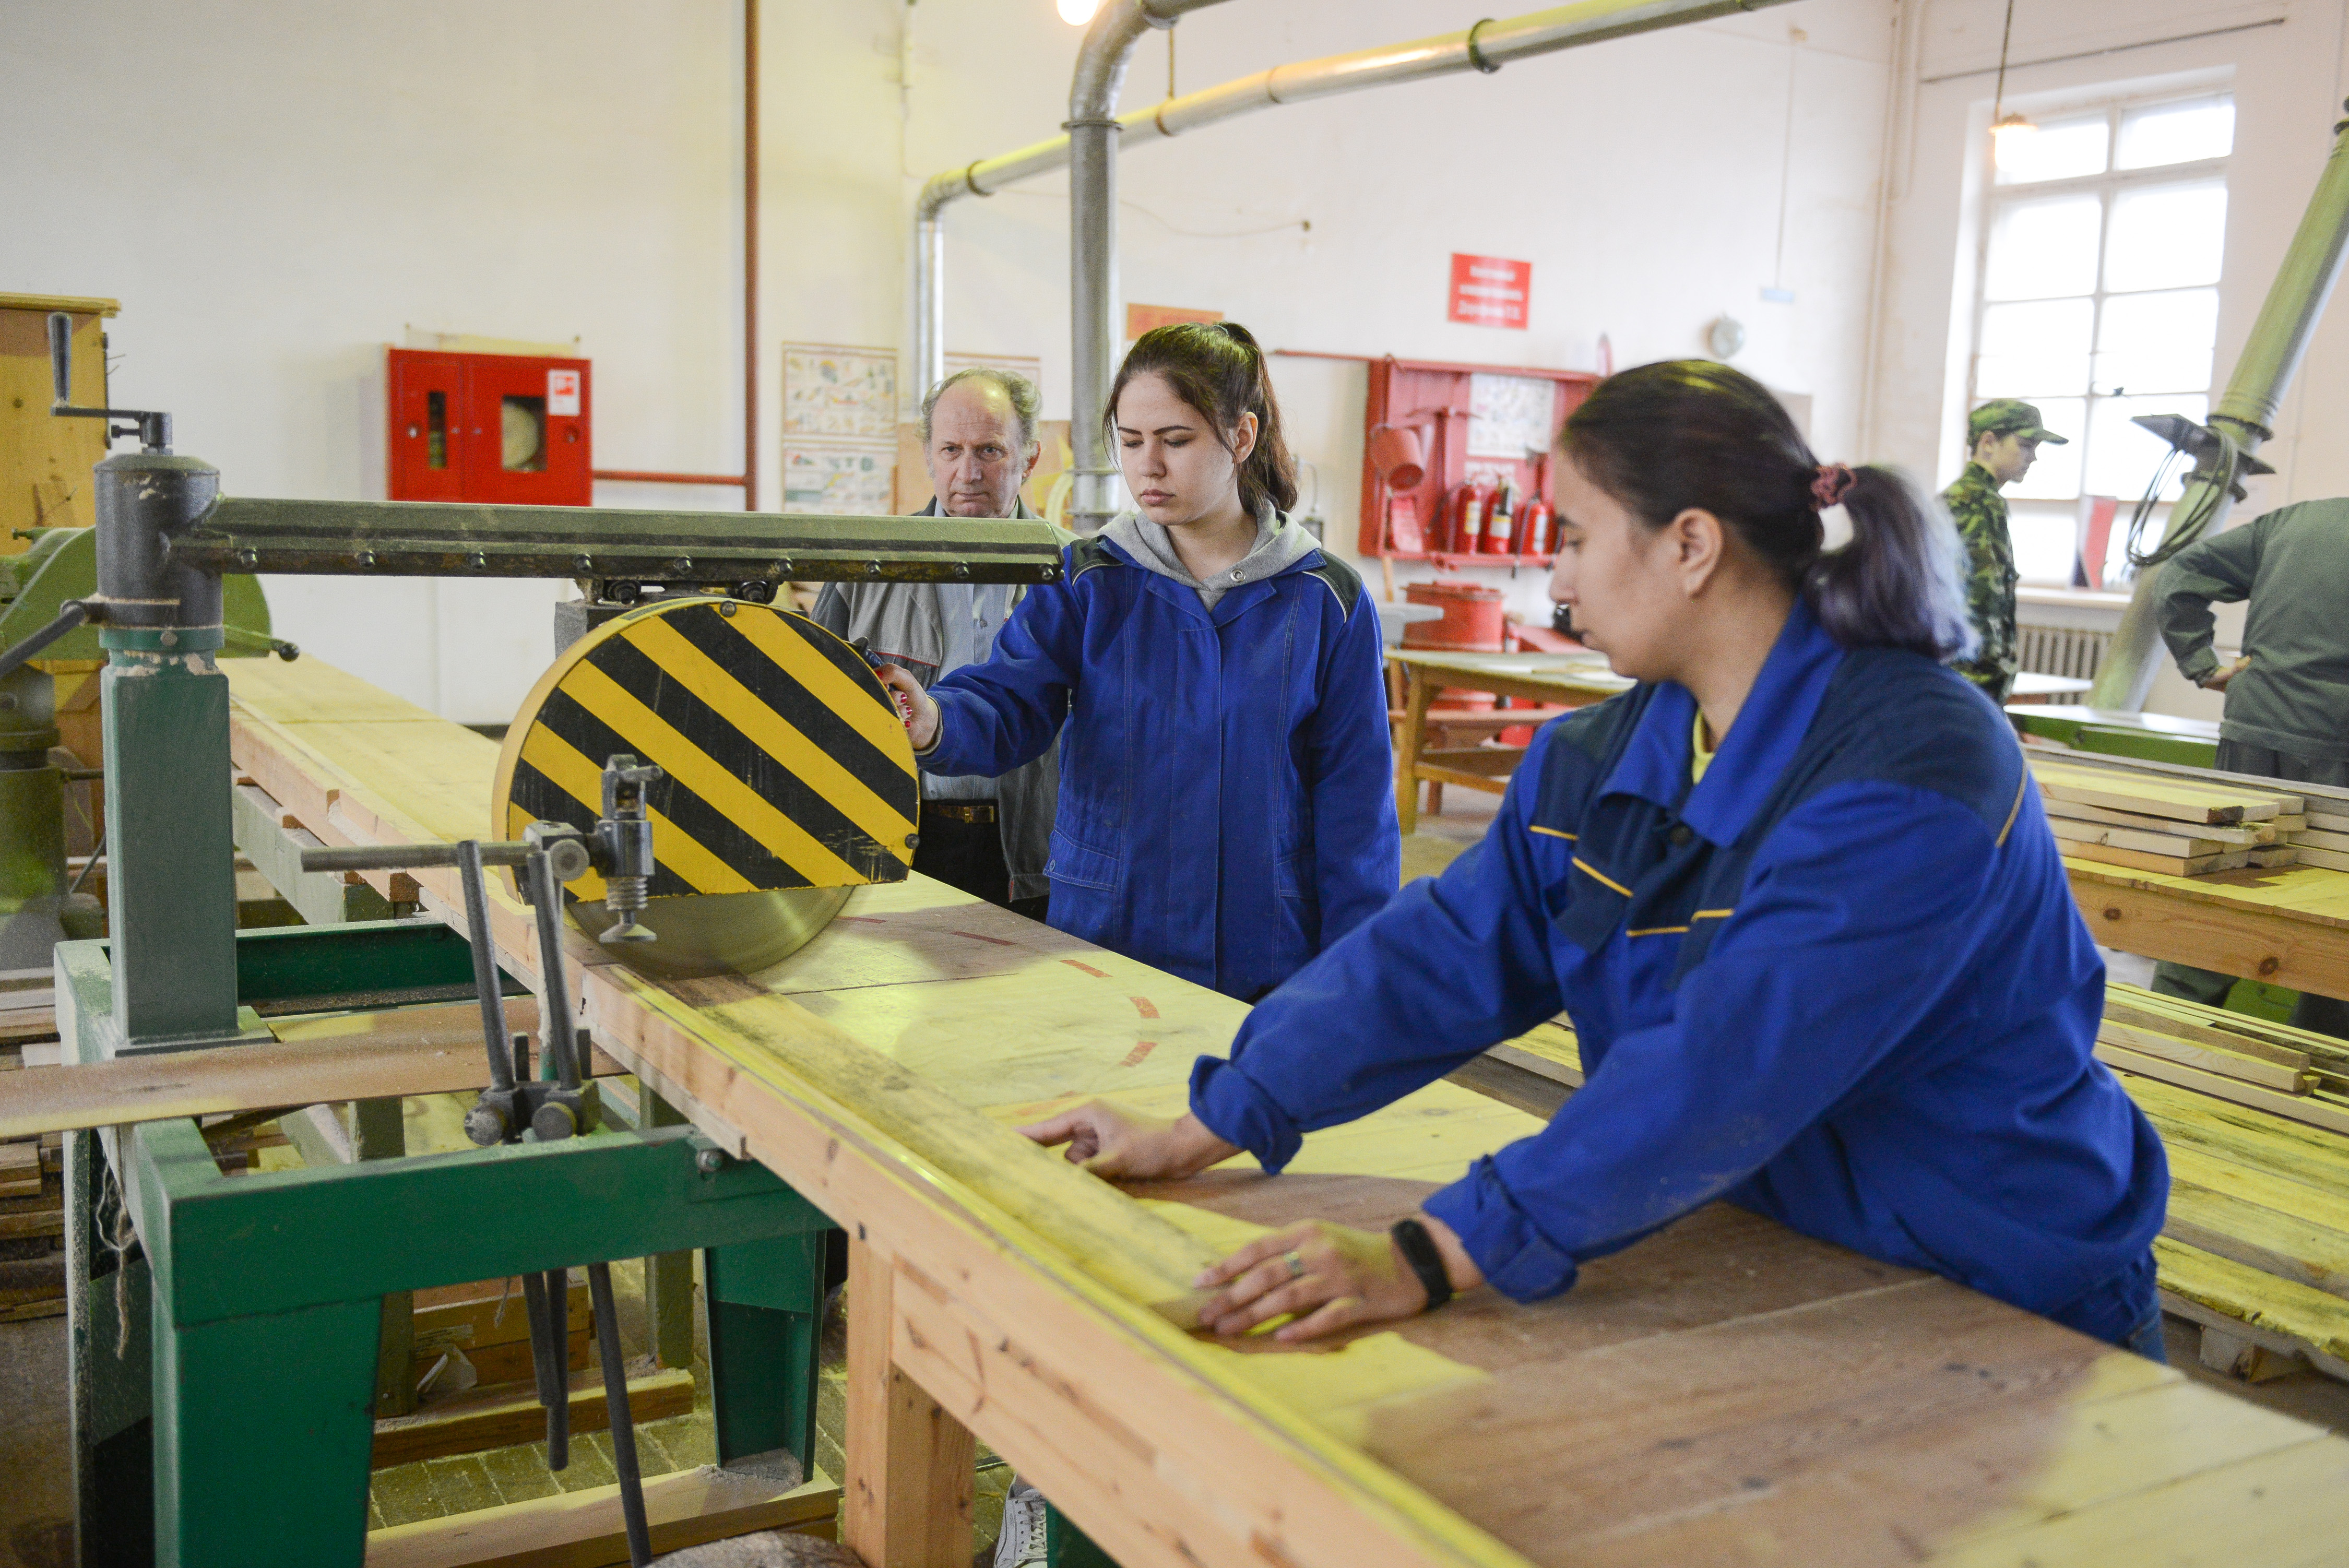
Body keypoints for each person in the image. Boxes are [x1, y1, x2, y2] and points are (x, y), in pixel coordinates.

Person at [1020, 360, 2169, 1358]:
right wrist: (1208, 1120)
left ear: (1691, 545)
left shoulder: (1915, 765)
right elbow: (1438, 954)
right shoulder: (1608, 756)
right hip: (1776, 1254)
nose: (1556, 579)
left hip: (2003, 1283)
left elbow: (1728, 1060)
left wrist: (1430, 1252)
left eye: (1572, 537)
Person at [874, 322, 1398, 1001]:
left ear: (1241, 437)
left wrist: (1358, 973)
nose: (1148, 466)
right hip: (1111, 935)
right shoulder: (1090, 578)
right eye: (1130, 441)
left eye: (1176, 441)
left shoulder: (1325, 597)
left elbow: (1356, 804)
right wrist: (936, 719)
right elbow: (1013, 697)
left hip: (1264, 948)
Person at [812, 369, 1065, 921]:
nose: (968, 472)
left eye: (990, 450)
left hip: (1035, 851)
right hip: (901, 836)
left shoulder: (1072, 572)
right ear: (928, 455)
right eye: (951, 449)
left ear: (1030, 458)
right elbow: (815, 706)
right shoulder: (866, 567)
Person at [2148, 500, 2349, 1037]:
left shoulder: (2291, 522)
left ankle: (2163, 1032)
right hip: (2339, 744)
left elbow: (2177, 579)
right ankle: (2323, 1065)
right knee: (2336, 908)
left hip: (2254, 728)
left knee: (2225, 879)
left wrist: (2203, 665)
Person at [1944, 398, 2069, 703]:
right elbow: (1981, 597)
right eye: (2026, 445)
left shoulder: (1978, 498)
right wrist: (1989, 675)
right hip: (1969, 676)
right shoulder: (1974, 502)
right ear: (1989, 442)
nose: (2033, 458)